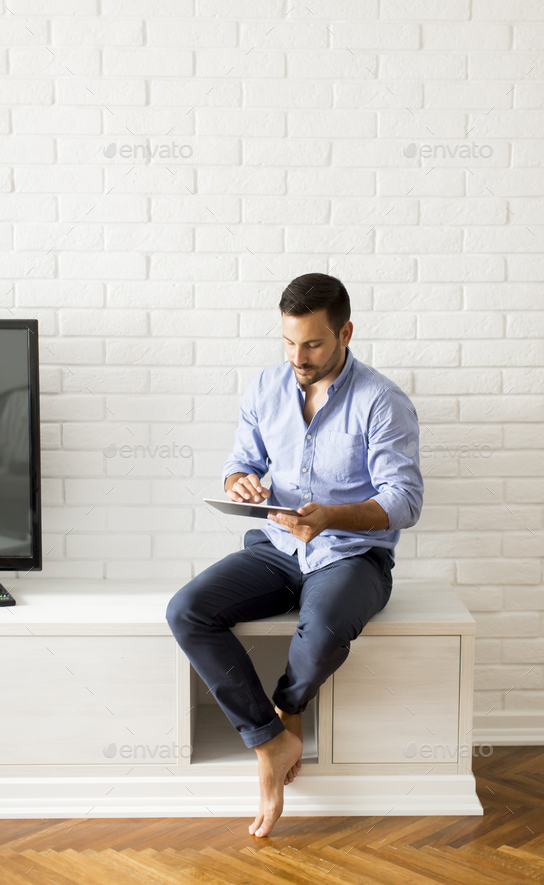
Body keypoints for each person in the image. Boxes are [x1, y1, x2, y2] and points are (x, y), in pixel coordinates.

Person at [165, 272, 424, 838]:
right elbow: (242, 461)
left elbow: (404, 502)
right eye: (288, 342)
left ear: (345, 333)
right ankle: (269, 741)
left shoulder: (383, 402)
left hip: (351, 554)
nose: (297, 357)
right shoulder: (264, 387)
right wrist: (240, 483)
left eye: (312, 344)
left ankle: (288, 711)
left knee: (325, 625)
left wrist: (331, 515)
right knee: (186, 611)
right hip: (276, 547)